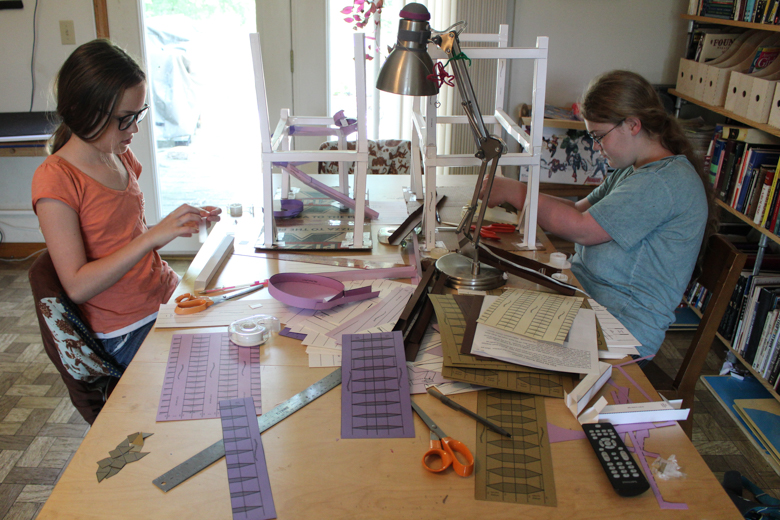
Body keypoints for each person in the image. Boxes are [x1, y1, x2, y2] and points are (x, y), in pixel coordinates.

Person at [480, 70, 717, 359]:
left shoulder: (662, 182)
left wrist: (515, 192)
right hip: (593, 304)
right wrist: (518, 193)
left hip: (624, 330)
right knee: (496, 314)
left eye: (598, 136)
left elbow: (582, 228)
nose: (596, 146)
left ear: (632, 125)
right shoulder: (634, 170)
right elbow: (577, 210)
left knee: (499, 343)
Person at [31, 39, 221, 368]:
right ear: (83, 110)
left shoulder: (120, 156)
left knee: (245, 336)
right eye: (125, 118)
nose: (134, 129)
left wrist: (179, 225)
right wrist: (152, 237)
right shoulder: (57, 179)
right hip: (125, 329)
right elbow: (77, 286)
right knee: (216, 368)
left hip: (162, 296)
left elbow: (120, 235)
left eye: (139, 115)